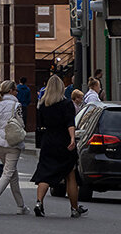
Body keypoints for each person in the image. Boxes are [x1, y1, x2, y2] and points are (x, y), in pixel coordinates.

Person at [30, 74, 86, 218]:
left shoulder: (43, 105)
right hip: (64, 142)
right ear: (61, 88)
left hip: (48, 141)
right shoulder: (66, 104)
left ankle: (38, 203)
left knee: (45, 174)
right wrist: (72, 139)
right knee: (70, 175)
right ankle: (74, 209)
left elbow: (41, 124)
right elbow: (70, 123)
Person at [0, 80, 29, 215]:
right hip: (12, 142)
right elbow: (21, 123)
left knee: (12, 174)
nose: (17, 92)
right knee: (8, 173)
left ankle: (21, 206)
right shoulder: (16, 105)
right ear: (11, 91)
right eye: (16, 90)